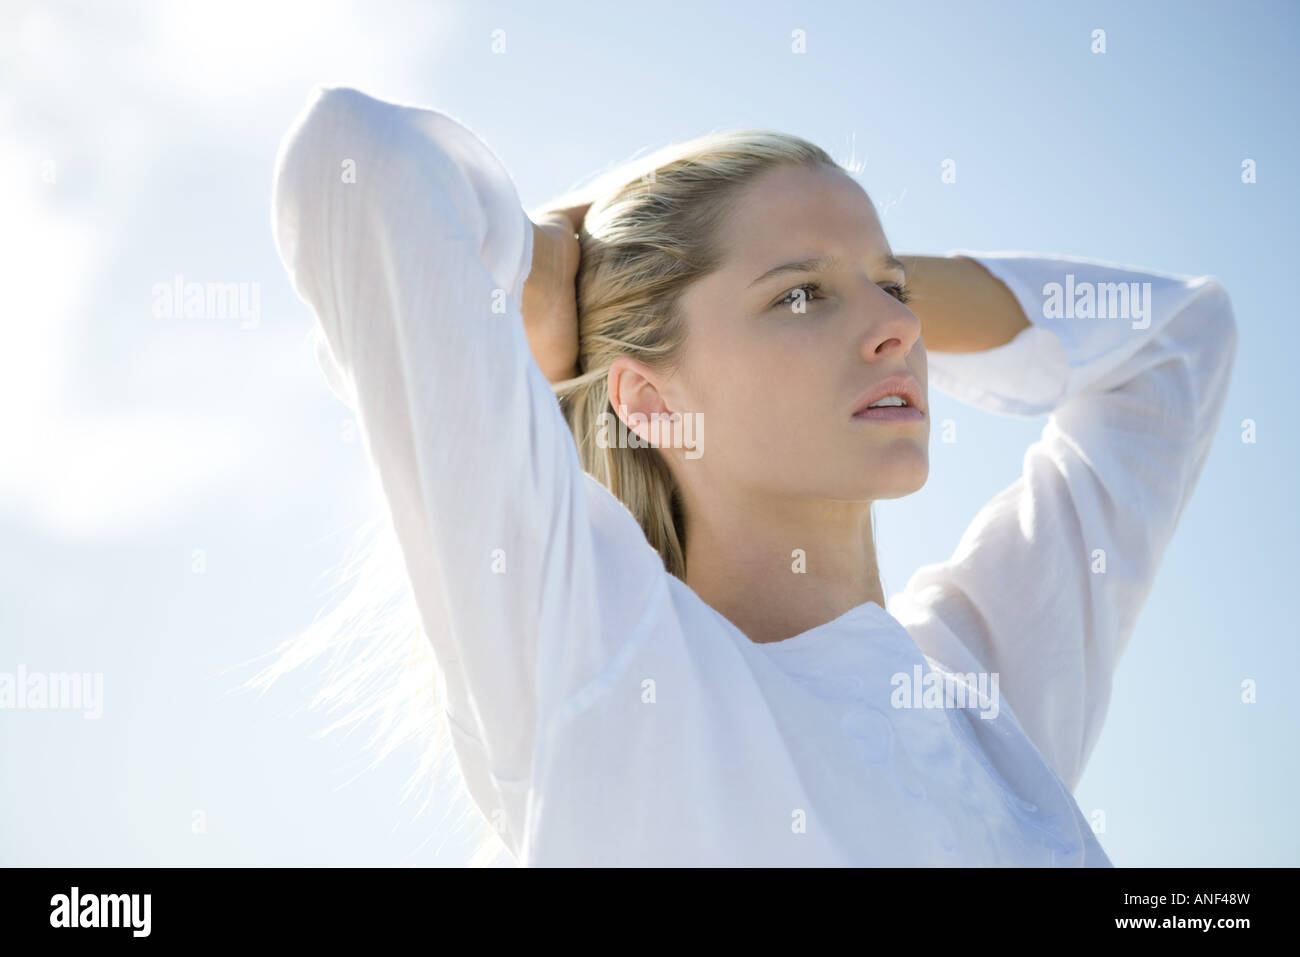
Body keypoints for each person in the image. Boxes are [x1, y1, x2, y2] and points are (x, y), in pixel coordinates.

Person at [269, 85, 1238, 865]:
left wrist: (858, 283)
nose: (900, 330)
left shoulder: (976, 701)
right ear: (645, 400)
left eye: (896, 291)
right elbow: (355, 165)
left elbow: (1177, 344)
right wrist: (569, 279)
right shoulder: (610, 663)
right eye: (798, 296)